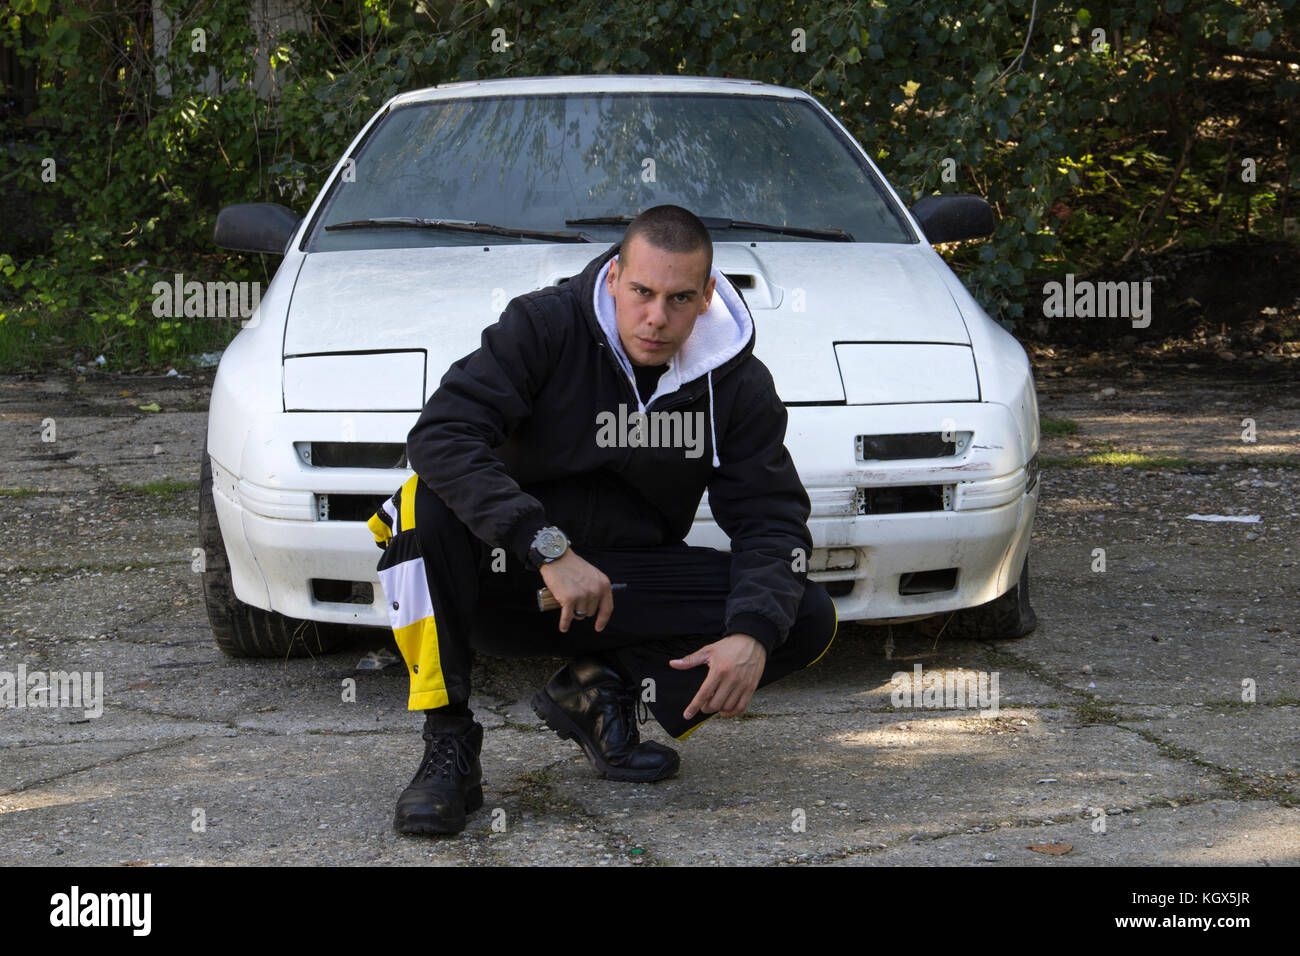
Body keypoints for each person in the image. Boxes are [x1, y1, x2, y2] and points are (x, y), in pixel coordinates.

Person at [368, 204, 837, 836]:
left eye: (679, 299)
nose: (656, 317)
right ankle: (447, 743)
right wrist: (546, 546)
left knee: (798, 615)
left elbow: (773, 520)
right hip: (504, 575)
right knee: (421, 503)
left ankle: (598, 692)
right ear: (614, 276)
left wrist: (751, 633)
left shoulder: (735, 383)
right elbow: (442, 435)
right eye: (642, 291)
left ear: (707, 298)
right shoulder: (544, 325)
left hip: (616, 587)